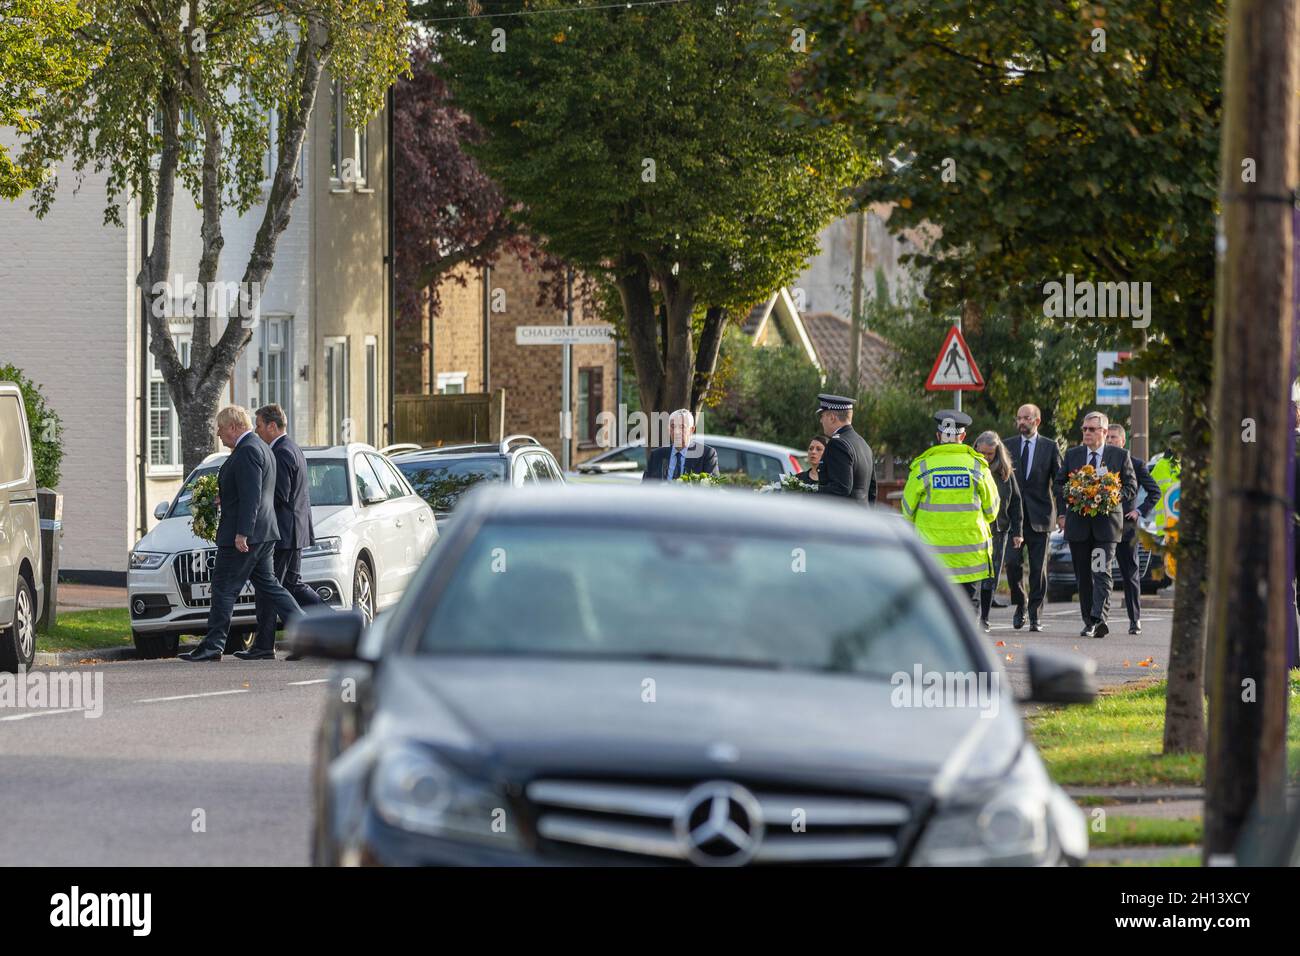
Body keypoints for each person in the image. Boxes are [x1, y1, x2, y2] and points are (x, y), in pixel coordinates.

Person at [179, 405, 303, 662]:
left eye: (221, 429)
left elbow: (252, 495)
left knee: (223, 588)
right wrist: (223, 497)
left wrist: (242, 533)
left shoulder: (247, 451)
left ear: (234, 427)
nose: (219, 434)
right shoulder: (262, 448)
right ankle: (310, 634)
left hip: (247, 535)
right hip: (265, 532)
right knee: (270, 587)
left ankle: (213, 646)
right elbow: (251, 490)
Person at [243, 404, 325, 661]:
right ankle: (327, 627)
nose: (256, 431)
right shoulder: (292, 448)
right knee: (291, 584)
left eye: (258, 425)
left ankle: (266, 645)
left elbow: (280, 496)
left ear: (271, 425)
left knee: (270, 588)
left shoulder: (280, 453)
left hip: (284, 532)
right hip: (295, 530)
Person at [901, 410, 999, 604]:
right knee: (970, 611)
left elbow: (907, 511)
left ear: (938, 436)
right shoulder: (978, 467)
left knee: (939, 612)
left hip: (932, 559)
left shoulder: (923, 467)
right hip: (970, 558)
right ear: (963, 436)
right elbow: (992, 511)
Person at [1054, 410, 1137, 639]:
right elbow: (1059, 484)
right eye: (1084, 429)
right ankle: (1088, 620)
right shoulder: (1072, 455)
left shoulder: (1119, 455)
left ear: (1104, 431)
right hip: (1079, 527)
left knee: (1101, 570)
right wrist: (1071, 496)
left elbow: (1131, 487)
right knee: (1083, 575)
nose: (1087, 433)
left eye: (1092, 429)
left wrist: (1110, 493)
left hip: (1106, 527)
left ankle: (1100, 618)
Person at [1001, 403, 1062, 632]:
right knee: (1013, 565)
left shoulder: (1050, 447)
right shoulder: (1006, 446)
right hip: (1013, 518)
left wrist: (1063, 513)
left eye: (1026, 418)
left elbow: (1059, 483)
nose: (1021, 422)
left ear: (1037, 420)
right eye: (1018, 418)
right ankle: (1021, 604)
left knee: (1038, 569)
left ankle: (1035, 614)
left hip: (1041, 516)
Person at [1105, 423, 1162, 634]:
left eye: (1113, 437)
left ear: (1122, 441)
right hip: (1102, 525)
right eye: (1107, 437)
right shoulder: (1099, 462)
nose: (1109, 440)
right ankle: (1098, 618)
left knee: (1130, 573)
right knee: (1100, 571)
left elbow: (1154, 492)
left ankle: (1134, 620)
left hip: (1126, 527)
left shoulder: (1136, 464)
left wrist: (1139, 511)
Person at [973, 431, 1022, 633]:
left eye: (990, 454)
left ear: (997, 453)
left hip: (998, 532)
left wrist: (1018, 531)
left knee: (990, 576)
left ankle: (984, 617)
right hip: (974, 530)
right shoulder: (970, 469)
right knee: (975, 575)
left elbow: (1016, 502)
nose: (985, 457)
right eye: (981, 452)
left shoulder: (1005, 474)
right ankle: (973, 616)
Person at [814, 394, 877, 503]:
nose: (821, 421)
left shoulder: (837, 444)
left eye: (822, 416)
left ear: (832, 417)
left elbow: (841, 488)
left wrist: (809, 492)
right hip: (861, 516)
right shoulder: (863, 443)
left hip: (842, 517)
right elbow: (872, 491)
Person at [642, 408, 720, 481]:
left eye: (682, 427)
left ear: (692, 430)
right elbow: (645, 488)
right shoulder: (657, 455)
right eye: (673, 426)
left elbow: (713, 489)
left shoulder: (706, 454)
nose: (676, 431)